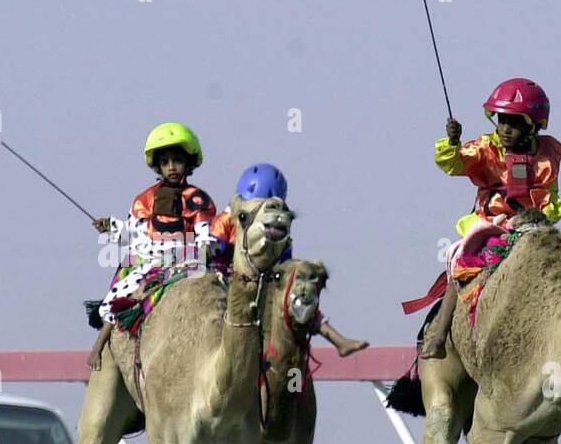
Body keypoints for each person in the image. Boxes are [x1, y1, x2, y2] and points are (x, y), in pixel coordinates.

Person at [419, 78, 561, 358]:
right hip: (488, 226)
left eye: (514, 122)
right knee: (460, 262)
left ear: (532, 126)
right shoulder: (486, 148)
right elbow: (452, 163)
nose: (505, 128)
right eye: (501, 120)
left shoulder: (547, 157)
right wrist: (452, 142)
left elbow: (552, 200)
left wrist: (535, 219)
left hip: (528, 228)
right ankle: (438, 337)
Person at [87, 122, 215, 368]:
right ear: (158, 166)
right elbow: (132, 234)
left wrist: (205, 249)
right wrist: (110, 226)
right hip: (149, 262)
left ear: (188, 162)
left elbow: (204, 232)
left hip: (187, 260)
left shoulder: (198, 199)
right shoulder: (143, 199)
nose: (171, 167)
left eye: (177, 161)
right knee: (119, 294)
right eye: (165, 162)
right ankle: (99, 347)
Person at [211, 163, 368, 357]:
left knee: (300, 298)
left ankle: (337, 341)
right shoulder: (228, 219)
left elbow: (283, 263)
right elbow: (215, 249)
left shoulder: (278, 228)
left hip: (266, 284)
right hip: (228, 279)